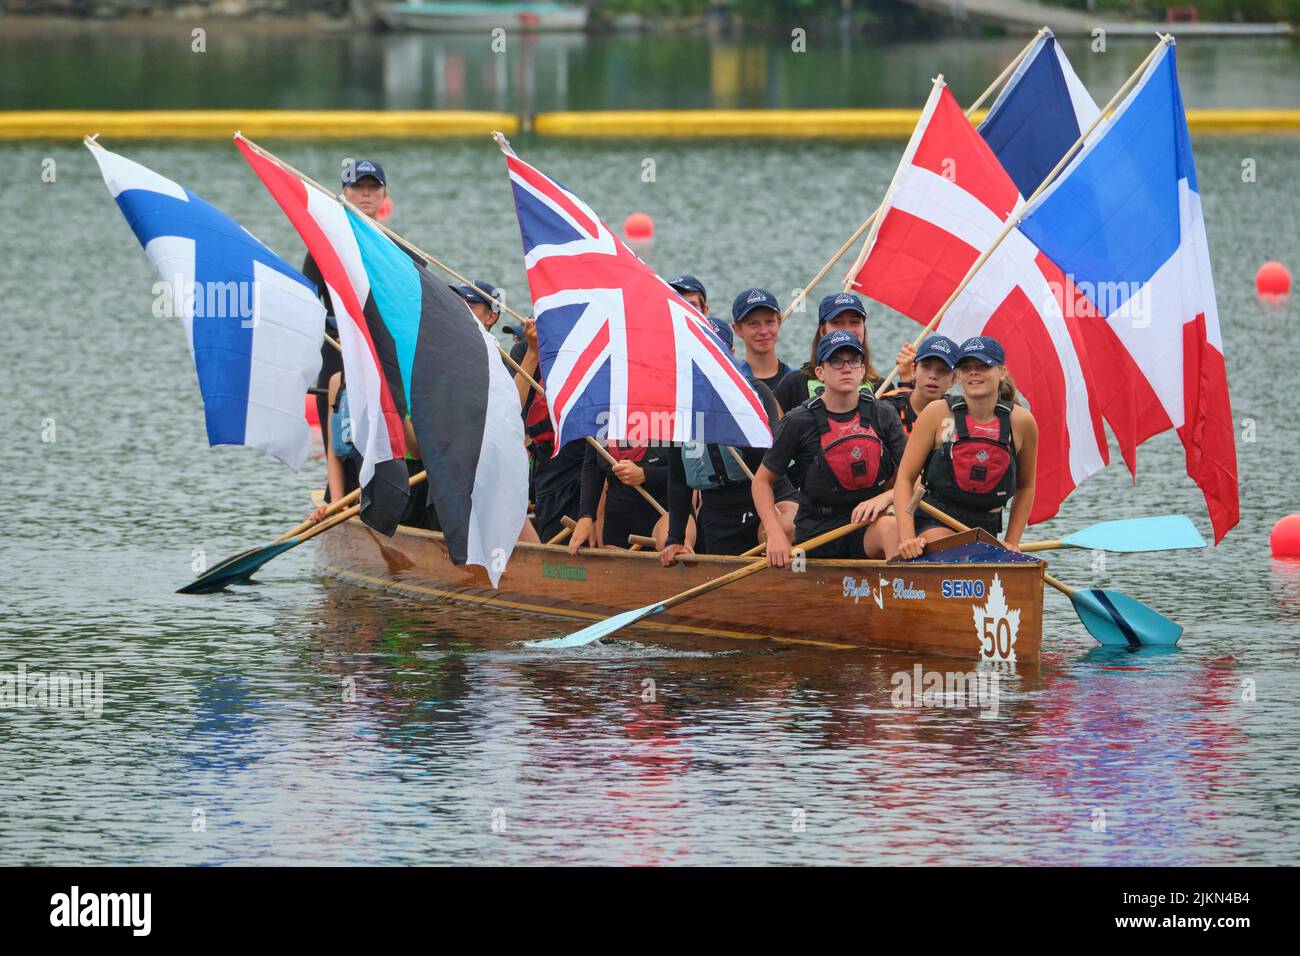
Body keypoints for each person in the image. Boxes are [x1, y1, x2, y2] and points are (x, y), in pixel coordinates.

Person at [753, 330, 907, 565]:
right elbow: (762, 482)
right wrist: (775, 533)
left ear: (863, 370)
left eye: (854, 360)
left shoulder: (883, 414)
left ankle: (901, 596)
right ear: (820, 372)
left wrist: (886, 497)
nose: (846, 368)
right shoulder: (798, 421)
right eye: (836, 361)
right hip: (818, 531)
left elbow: (913, 477)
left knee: (891, 528)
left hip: (867, 522)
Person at [660, 318, 798, 563]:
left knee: (781, 531)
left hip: (772, 499)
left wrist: (774, 530)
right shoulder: (679, 410)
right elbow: (678, 479)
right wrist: (675, 539)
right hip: (718, 512)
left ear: (731, 355)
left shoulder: (758, 394)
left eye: (717, 353)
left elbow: (771, 461)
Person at [894, 336, 1038, 558]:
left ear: (1002, 372)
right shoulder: (936, 413)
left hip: (986, 527)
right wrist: (907, 538)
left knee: (972, 559)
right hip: (934, 519)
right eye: (966, 367)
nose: (974, 372)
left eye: (983, 366)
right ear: (958, 375)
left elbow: (1026, 486)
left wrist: (1011, 542)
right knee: (954, 553)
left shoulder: (1022, 422)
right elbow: (904, 478)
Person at [772, 292, 883, 413]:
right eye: (836, 322)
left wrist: (906, 381)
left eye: (855, 322)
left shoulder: (881, 387)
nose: (847, 330)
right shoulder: (794, 385)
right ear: (822, 330)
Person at [569, 436, 671, 554]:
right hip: (618, 526)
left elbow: (690, 472)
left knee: (669, 555)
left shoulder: (680, 419)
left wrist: (646, 475)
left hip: (666, 515)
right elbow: (592, 468)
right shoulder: (600, 420)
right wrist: (586, 515)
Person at [879, 335, 958, 435]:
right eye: (926, 366)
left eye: (943, 370)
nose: (933, 376)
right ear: (913, 370)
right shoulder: (885, 408)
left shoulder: (959, 415)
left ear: (953, 379)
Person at [730, 287, 794, 393]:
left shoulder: (797, 381)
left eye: (769, 322)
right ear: (737, 329)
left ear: (779, 323)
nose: (763, 331)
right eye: (753, 324)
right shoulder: (733, 383)